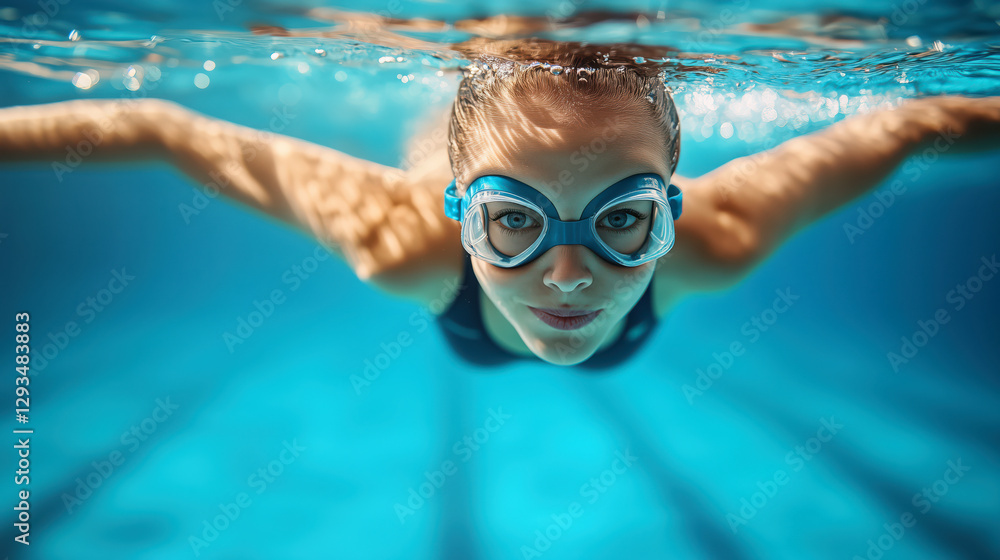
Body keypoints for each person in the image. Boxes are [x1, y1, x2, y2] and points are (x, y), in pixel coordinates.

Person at [1, 39, 998, 367]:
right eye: (511, 218)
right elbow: (162, 127)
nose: (569, 277)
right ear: (455, 213)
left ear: (672, 213)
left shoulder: (719, 238)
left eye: (622, 218)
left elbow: (910, 126)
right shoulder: (398, 236)